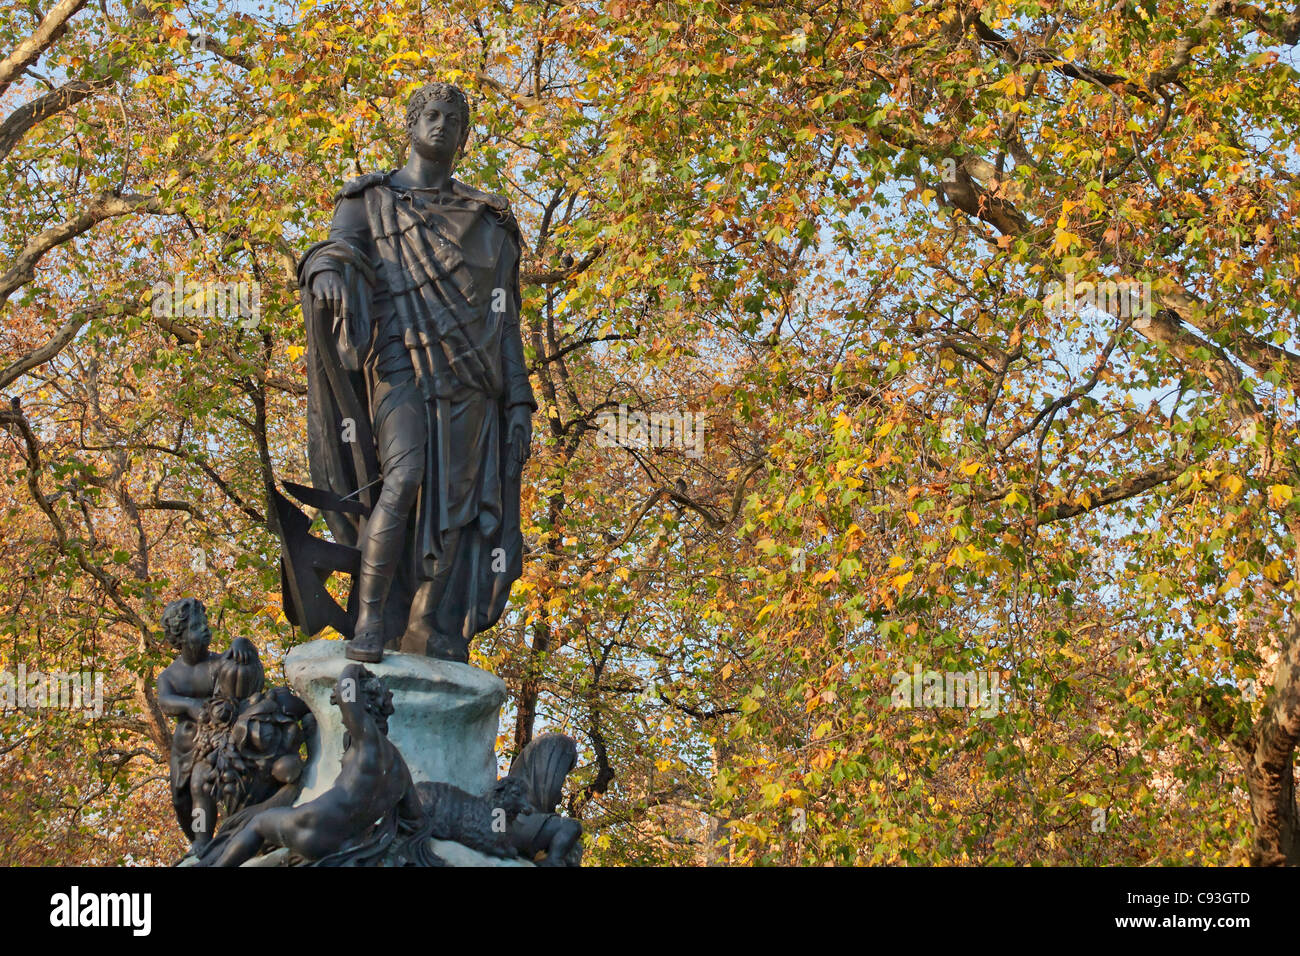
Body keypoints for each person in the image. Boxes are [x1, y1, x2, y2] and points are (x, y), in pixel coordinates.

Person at [298, 81, 534, 664]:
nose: (442, 127)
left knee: (456, 512)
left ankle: (431, 627)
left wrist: (522, 403)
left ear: (465, 136)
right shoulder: (368, 202)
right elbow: (335, 251)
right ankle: (372, 618)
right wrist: (324, 272)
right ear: (410, 124)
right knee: (403, 479)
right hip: (401, 361)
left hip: (474, 380)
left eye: (454, 121)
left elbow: (506, 323)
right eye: (431, 116)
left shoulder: (489, 221)